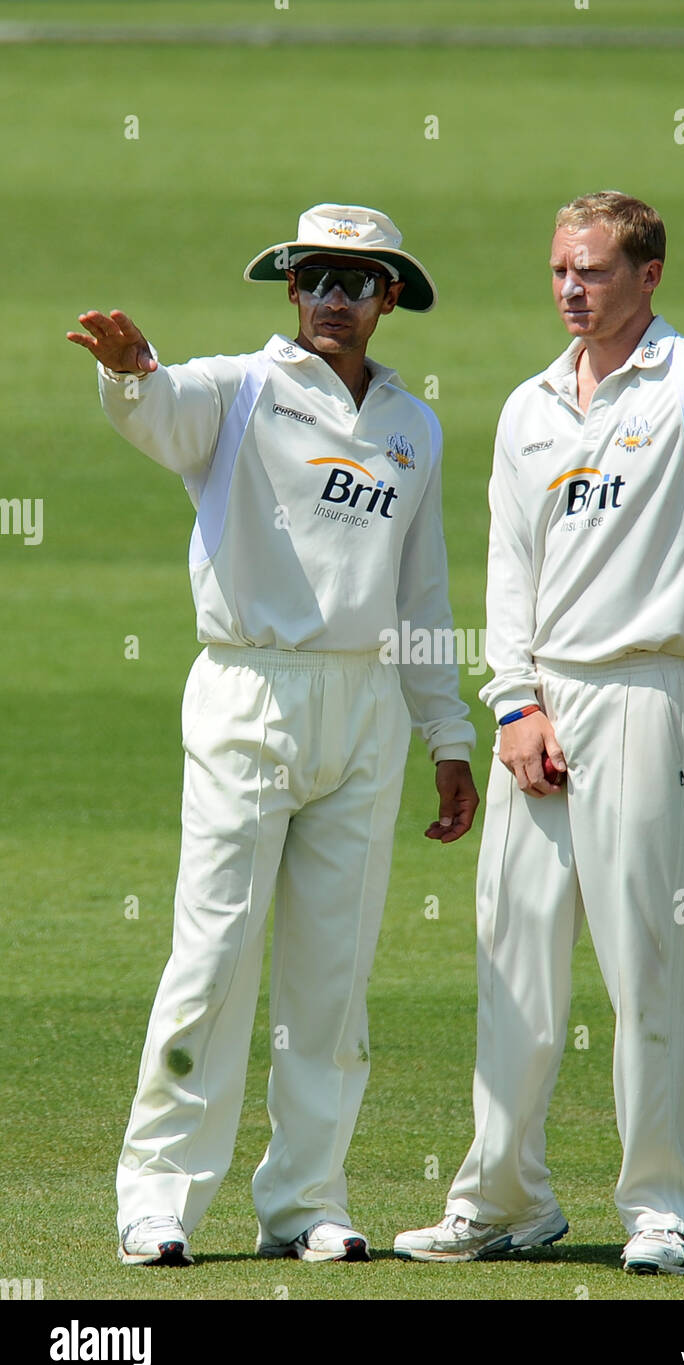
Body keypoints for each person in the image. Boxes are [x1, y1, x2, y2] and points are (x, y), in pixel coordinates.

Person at [394, 191, 684, 1273]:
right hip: (541, 706)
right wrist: (512, 702)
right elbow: (509, 573)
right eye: (556, 270)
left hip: (651, 693)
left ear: (647, 276)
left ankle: (663, 1206)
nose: (569, 289)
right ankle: (504, 1198)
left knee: (647, 958)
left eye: (590, 270)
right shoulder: (529, 406)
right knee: (512, 959)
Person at [68, 202, 478, 1267]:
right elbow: (156, 408)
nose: (332, 299)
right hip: (249, 690)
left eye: (356, 281)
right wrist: (128, 371)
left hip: (366, 707)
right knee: (213, 953)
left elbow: (420, 592)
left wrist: (447, 734)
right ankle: (157, 1199)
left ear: (390, 297)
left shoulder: (411, 425)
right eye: (314, 278)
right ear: (290, 290)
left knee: (331, 975)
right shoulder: (235, 389)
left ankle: (305, 1198)